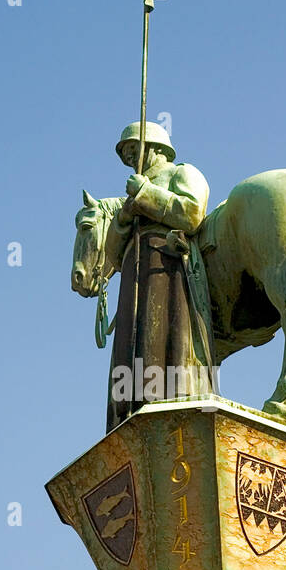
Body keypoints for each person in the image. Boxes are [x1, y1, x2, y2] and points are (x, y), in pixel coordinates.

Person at [104, 121, 215, 432]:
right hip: (132, 274)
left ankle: (168, 400)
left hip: (166, 263)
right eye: (125, 154)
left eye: (132, 150)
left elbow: (192, 215)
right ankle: (129, 409)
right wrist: (124, 217)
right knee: (130, 343)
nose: (128, 159)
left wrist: (147, 194)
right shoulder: (130, 195)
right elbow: (113, 255)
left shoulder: (182, 173)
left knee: (167, 336)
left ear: (154, 148)